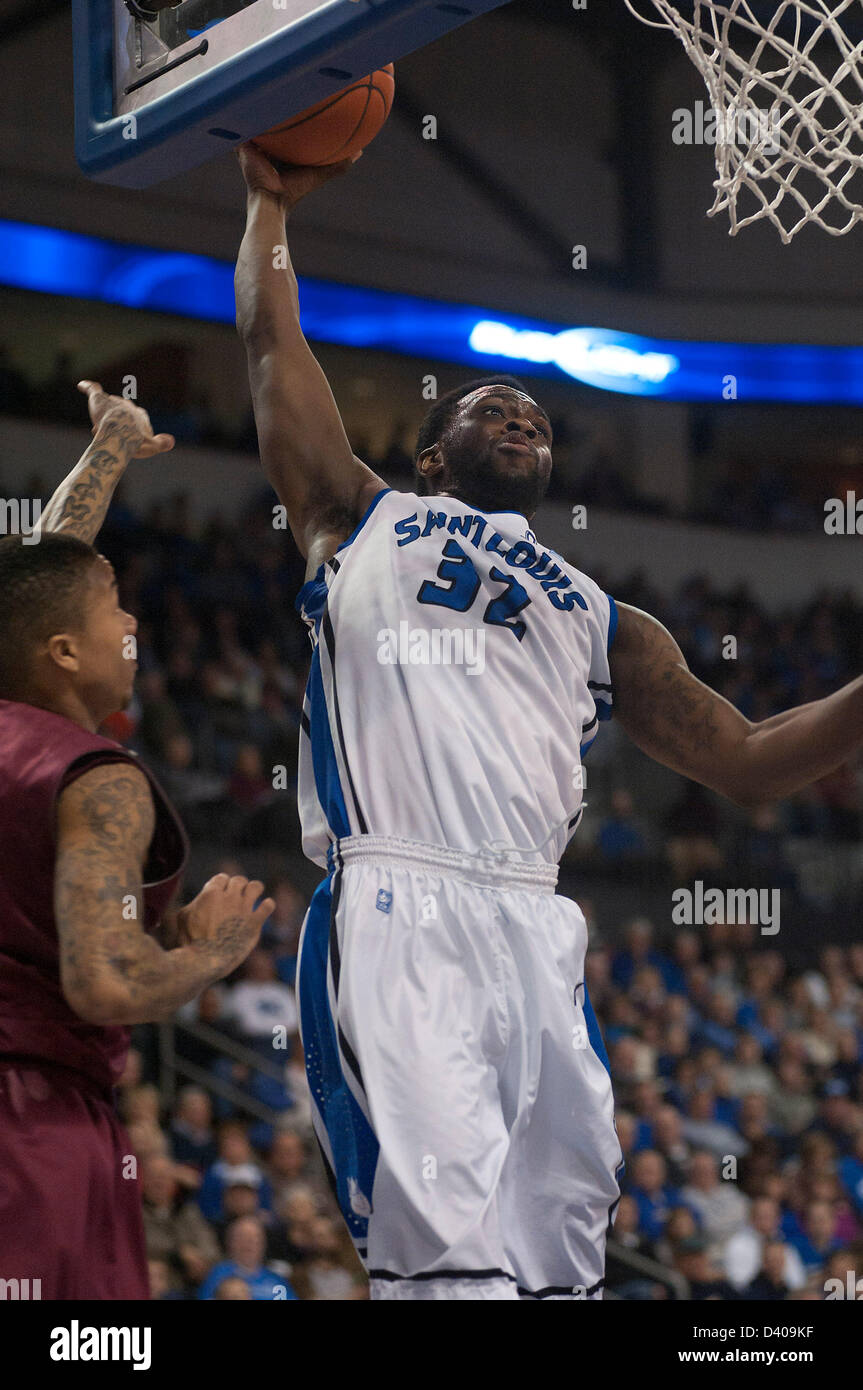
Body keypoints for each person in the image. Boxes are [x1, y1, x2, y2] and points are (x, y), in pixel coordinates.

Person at [234, 141, 863, 1301]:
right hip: (396, 900)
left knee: (558, 1257)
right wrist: (269, 207)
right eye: (489, 407)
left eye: (533, 415)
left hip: (532, 920)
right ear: (433, 453)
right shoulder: (360, 515)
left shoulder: (604, 617)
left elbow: (753, 759)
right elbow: (277, 349)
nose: (519, 416)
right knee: (445, 1267)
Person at [0, 383, 274, 1299]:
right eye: (115, 604)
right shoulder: (98, 779)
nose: (133, 623)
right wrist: (211, 954)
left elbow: (36, 584)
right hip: (34, 1130)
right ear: (64, 653)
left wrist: (111, 448)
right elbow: (106, 982)